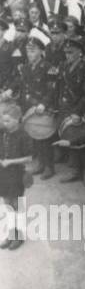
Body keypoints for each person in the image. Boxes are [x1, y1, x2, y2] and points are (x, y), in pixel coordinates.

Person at [0, 102, 34, 250]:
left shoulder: (24, 135)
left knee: (17, 205)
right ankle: (10, 234)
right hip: (3, 174)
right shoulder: (3, 132)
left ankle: (19, 236)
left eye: (7, 121)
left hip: (16, 174)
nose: (4, 123)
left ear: (17, 119)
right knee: (7, 203)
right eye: (3, 120)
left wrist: (10, 161)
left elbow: (29, 158)